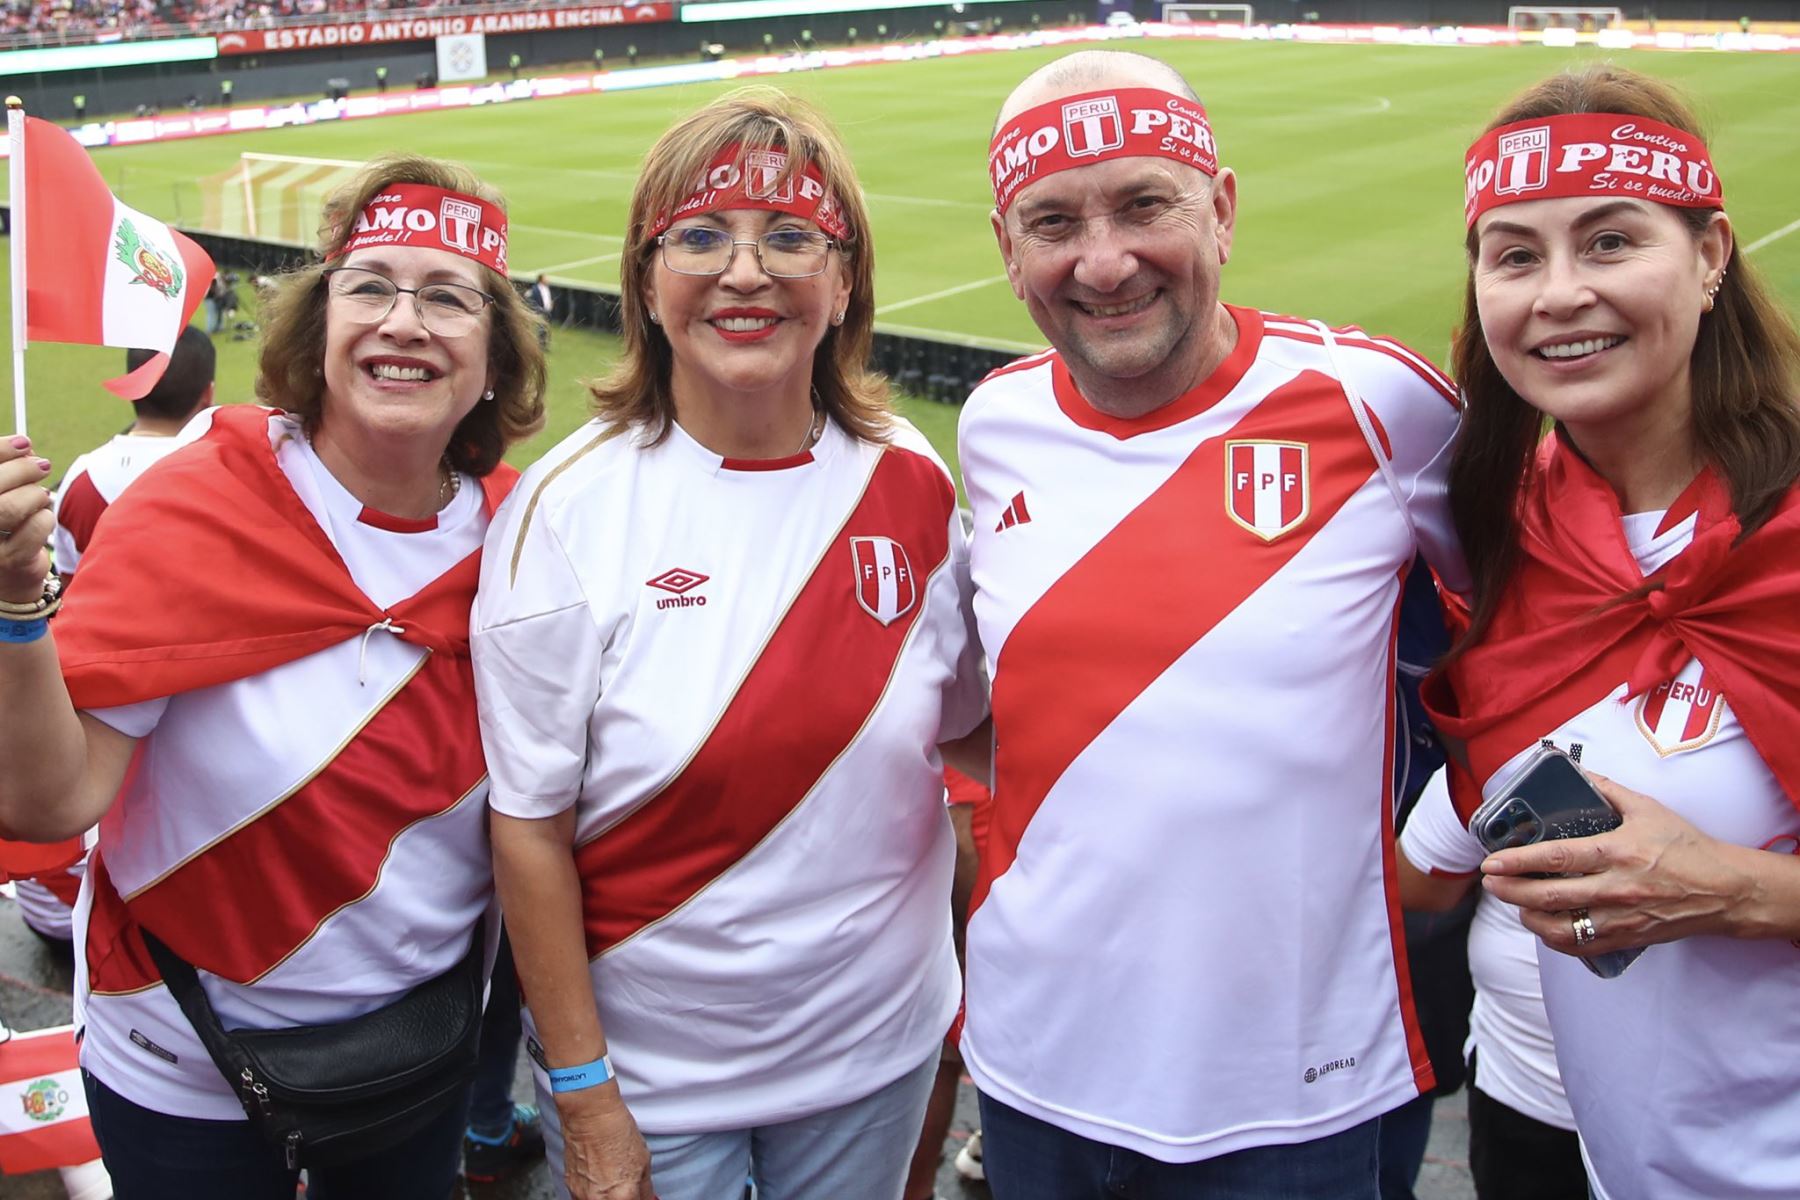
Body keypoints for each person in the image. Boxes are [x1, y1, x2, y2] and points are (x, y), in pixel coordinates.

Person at [957, 50, 1467, 1198]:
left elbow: (1535, 640)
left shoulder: (1380, 406)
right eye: (1053, 222)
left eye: (1147, 205)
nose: (1104, 261)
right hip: (1035, 1065)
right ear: (1008, 249)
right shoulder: (993, 425)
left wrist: (1441, 847)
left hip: (1299, 1088)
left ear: (1222, 209)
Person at [472, 87, 987, 1200]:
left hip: (875, 1060)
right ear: (647, 283)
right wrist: (584, 1088)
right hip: (652, 1085)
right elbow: (525, 830)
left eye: (790, 237)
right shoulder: (566, 510)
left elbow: (969, 744)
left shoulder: (914, 480)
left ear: (844, 282)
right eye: (700, 236)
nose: (745, 272)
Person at [0, 153, 546, 1196]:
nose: (404, 321)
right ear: (317, 326)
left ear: (494, 356)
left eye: (448, 296)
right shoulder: (189, 506)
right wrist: (15, 604)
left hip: (417, 1060)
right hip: (180, 1070)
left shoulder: (531, 538)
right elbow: (49, 795)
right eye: (371, 285)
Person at [1399, 64, 1800, 1199]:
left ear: (1712, 254)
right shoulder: (1489, 521)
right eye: (1515, 254)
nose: (1559, 293)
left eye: (1611, 241)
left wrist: (1737, 891)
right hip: (1535, 1118)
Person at [10, 327, 221, 950]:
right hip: (196, 700)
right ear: (208, 393)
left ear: (132, 388)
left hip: (92, 690)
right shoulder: (221, 474)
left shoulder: (81, 477)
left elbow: (66, 594)